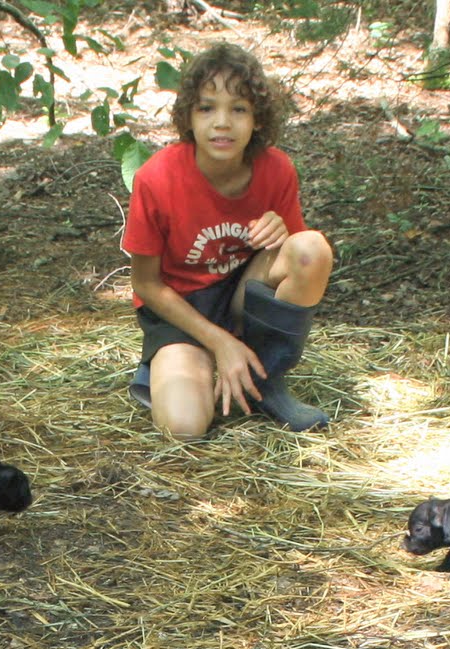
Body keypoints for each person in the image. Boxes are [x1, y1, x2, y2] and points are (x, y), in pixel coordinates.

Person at [122, 42, 333, 437]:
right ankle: (175, 365)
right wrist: (219, 342)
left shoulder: (276, 169)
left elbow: (297, 259)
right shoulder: (156, 178)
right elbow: (145, 284)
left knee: (311, 248)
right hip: (181, 310)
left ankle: (266, 380)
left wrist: (281, 234)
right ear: (188, 116)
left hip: (241, 294)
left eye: (238, 109)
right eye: (207, 108)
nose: (222, 122)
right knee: (183, 428)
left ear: (257, 119)